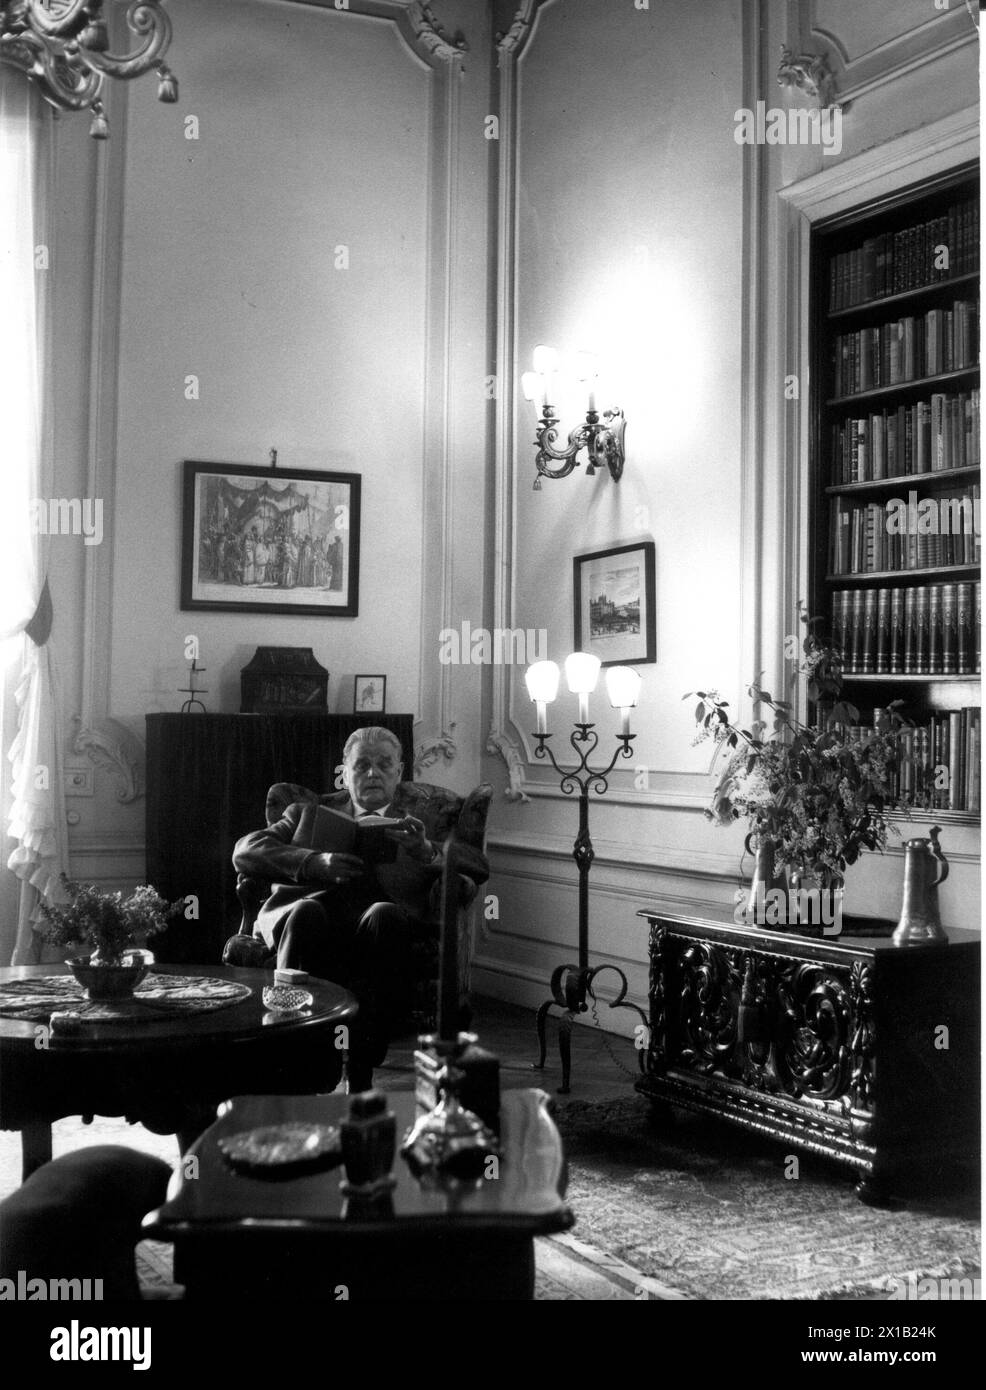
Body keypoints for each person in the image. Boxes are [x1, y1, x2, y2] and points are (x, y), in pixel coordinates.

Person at [232, 728, 485, 1090]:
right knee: (306, 912)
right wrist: (312, 862)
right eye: (362, 764)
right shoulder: (304, 812)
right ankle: (303, 1060)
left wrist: (426, 851)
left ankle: (363, 1063)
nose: (372, 773)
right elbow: (245, 850)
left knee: (384, 914)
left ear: (399, 772)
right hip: (312, 923)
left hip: (381, 930)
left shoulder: (421, 825)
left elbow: (478, 865)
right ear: (344, 772)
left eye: (384, 765)